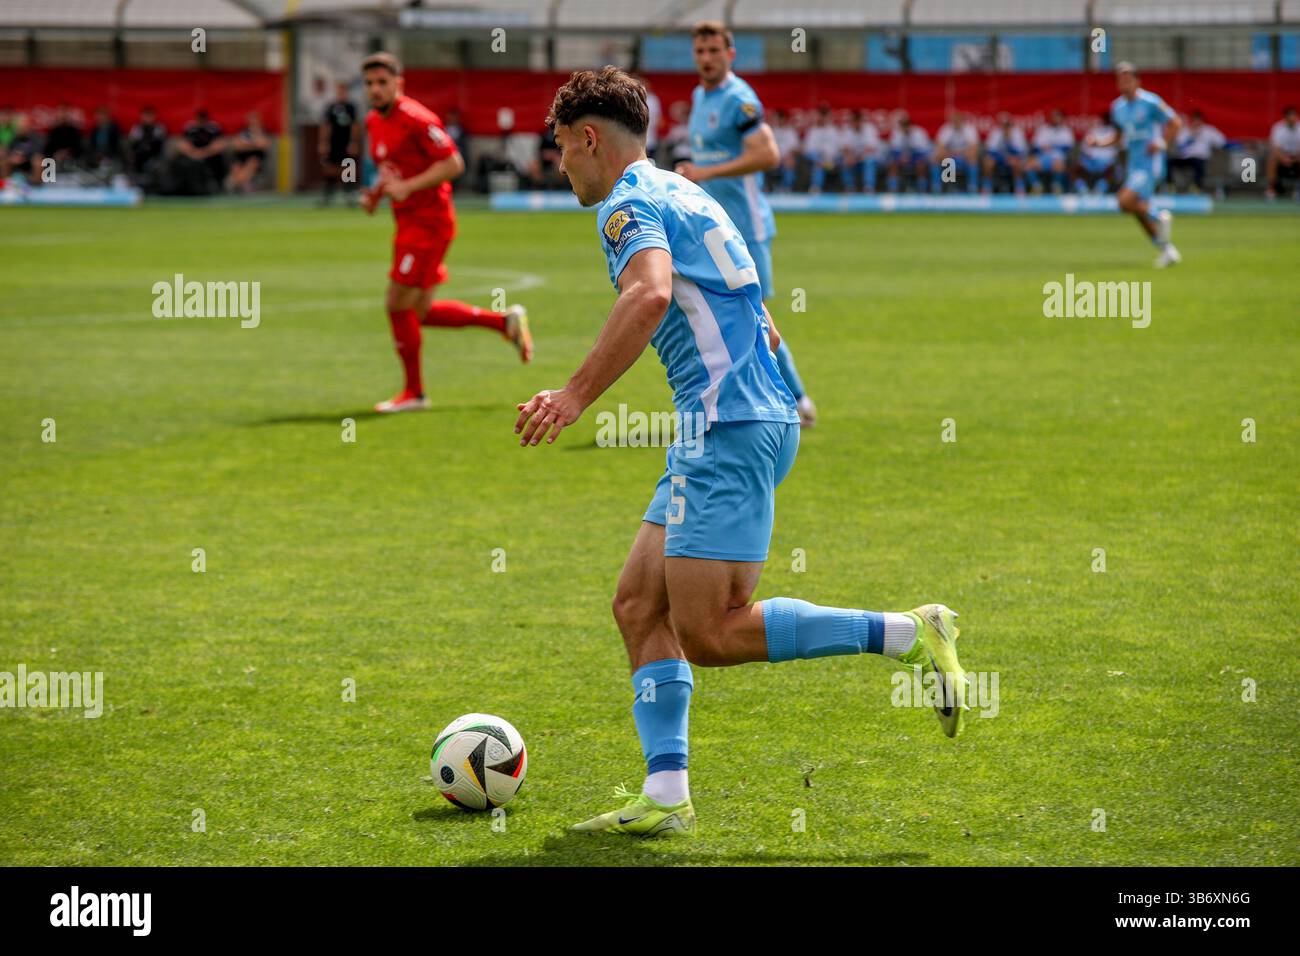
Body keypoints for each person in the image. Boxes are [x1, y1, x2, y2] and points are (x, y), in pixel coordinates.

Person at [516, 66, 969, 837]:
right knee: (637, 604)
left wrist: (575, 394)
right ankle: (665, 795)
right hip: (737, 419)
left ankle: (905, 632)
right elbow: (756, 309)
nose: (560, 164)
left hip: (726, 428)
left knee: (713, 630)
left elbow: (651, 293)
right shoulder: (688, 191)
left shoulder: (627, 202)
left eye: (562, 147)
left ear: (590, 139)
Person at [359, 52, 533, 413]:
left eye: (382, 83)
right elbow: (392, 170)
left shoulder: (418, 119)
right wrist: (376, 195)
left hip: (429, 223)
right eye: (369, 83)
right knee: (418, 311)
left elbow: (454, 163)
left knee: (396, 304)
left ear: (398, 84)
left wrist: (409, 187)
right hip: (407, 222)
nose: (375, 90)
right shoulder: (375, 121)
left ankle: (414, 394)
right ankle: (503, 322)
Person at [673, 20, 816, 427]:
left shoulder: (740, 98)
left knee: (757, 317)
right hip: (714, 232)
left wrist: (705, 172)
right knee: (732, 318)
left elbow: (769, 154)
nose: (707, 59)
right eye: (701, 52)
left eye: (715, 51)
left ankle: (798, 401)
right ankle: (745, 403)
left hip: (746, 228)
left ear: (730, 54)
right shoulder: (700, 96)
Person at [1086, 62, 1182, 267]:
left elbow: (1175, 122)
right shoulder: (1117, 107)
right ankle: (1167, 250)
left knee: (1124, 202)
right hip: (1133, 163)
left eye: (1128, 79)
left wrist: (1162, 143)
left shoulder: (1151, 102)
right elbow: (1119, 137)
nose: (1124, 83)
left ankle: (1158, 215)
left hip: (1150, 162)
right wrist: (1099, 143)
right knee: (1137, 213)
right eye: (1120, 80)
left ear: (1138, 81)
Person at [319, 82, 360, 205]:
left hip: (346, 143)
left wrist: (353, 142)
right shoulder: (331, 107)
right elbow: (326, 125)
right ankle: (328, 194)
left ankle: (349, 194)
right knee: (330, 167)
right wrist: (324, 142)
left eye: (343, 92)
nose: (341, 94)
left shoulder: (351, 107)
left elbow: (355, 126)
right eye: (339, 92)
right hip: (333, 143)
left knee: (348, 167)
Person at [1168, 110, 1224, 194]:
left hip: (1200, 158)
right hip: (1186, 158)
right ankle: (1171, 185)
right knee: (1169, 162)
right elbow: (1180, 146)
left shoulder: (1208, 130)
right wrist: (1191, 136)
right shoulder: (1185, 131)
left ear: (1202, 121)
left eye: (1199, 121)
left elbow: (1221, 141)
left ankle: (1196, 187)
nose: (1197, 123)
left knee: (1198, 163)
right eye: (1195, 120)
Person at [1029, 108, 1074, 194]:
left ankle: (1056, 186)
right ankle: (1036, 186)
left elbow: (1068, 147)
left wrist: (1053, 146)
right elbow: (1035, 146)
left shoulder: (1066, 131)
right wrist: (1042, 148)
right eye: (1053, 117)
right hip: (1043, 157)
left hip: (1058, 157)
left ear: (1062, 118)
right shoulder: (1044, 129)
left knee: (1058, 164)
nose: (1055, 119)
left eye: (1058, 117)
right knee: (1029, 165)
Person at [886, 112, 934, 193]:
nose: (905, 127)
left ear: (910, 125)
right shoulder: (896, 132)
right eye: (903, 125)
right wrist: (900, 157)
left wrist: (911, 157)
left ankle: (922, 189)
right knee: (892, 164)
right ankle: (893, 189)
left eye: (907, 125)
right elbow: (893, 149)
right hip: (902, 158)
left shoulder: (919, 132)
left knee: (921, 164)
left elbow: (924, 150)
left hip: (917, 158)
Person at [982, 112, 1029, 195]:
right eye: (1004, 125)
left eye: (1008, 125)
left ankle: (1019, 186)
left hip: (1013, 158)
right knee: (988, 161)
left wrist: (1010, 142)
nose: (1006, 127)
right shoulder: (996, 132)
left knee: (1017, 162)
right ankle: (987, 186)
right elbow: (990, 150)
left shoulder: (1017, 133)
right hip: (999, 158)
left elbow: (1022, 151)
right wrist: (1003, 157)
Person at [935, 109, 980, 193]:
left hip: (964, 156)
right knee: (939, 158)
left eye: (958, 120)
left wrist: (965, 154)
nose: (956, 122)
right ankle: (940, 187)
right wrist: (947, 155)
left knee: (973, 158)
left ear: (962, 120)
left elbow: (974, 147)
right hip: (950, 156)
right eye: (954, 120)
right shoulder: (946, 129)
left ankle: (972, 187)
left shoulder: (969, 129)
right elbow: (940, 146)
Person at [1074, 112, 1118, 193]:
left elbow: (1117, 149)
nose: (1105, 121)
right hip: (1092, 160)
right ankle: (1082, 189)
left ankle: (1100, 189)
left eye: (1108, 119)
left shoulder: (1115, 132)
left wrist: (1098, 144)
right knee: (1077, 166)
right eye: (1104, 119)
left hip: (1107, 161)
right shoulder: (1094, 130)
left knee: (1112, 168)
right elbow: (1085, 147)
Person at [228, 112, 269, 193]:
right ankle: (241, 183)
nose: (253, 121)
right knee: (236, 167)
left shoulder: (263, 131)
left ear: (259, 120)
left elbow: (263, 144)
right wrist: (253, 144)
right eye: (251, 119)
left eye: (255, 119)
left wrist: (246, 144)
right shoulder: (244, 131)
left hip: (256, 158)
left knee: (251, 163)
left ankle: (235, 182)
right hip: (241, 158)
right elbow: (237, 145)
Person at [1265, 105, 1300, 200]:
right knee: (1272, 159)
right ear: (1286, 117)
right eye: (1290, 116)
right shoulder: (1278, 128)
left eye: (1294, 116)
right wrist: (1283, 158)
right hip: (1282, 158)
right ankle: (1271, 190)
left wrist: (1295, 158)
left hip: (1296, 157)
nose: (1293, 118)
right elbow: (1275, 147)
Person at [127, 106, 167, 188]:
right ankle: (135, 185)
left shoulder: (159, 128)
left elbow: (159, 144)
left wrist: (148, 146)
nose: (148, 119)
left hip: (154, 156)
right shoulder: (137, 128)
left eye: (150, 116)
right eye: (145, 116)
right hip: (139, 156)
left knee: (155, 166)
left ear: (154, 116)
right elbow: (133, 143)